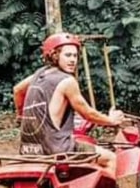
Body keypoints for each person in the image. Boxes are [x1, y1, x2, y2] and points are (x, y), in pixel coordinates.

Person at [13, 32, 125, 176]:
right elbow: (87, 113)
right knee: (111, 159)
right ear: (54, 55)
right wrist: (111, 120)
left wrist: (20, 115)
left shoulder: (39, 74)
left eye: (75, 55)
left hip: (29, 150)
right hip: (57, 149)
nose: (73, 60)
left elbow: (17, 90)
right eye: (67, 55)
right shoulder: (67, 81)